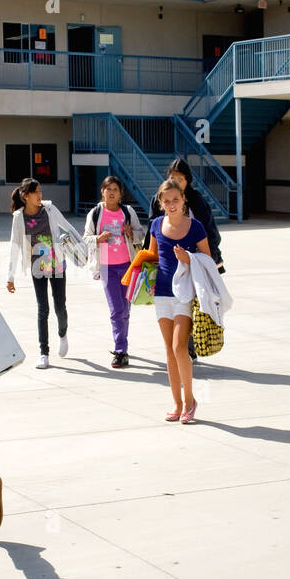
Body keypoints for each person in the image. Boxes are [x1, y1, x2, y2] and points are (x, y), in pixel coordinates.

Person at [145, 178, 211, 423]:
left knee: (179, 347)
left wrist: (188, 258)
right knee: (169, 352)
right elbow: (152, 255)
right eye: (166, 201)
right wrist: (142, 272)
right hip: (161, 293)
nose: (171, 204)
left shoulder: (195, 228)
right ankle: (177, 403)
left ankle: (190, 400)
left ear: (184, 199)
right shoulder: (155, 225)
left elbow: (208, 260)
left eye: (176, 199)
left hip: (184, 293)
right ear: (161, 203)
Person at [6, 177, 82, 369]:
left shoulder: (49, 208)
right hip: (37, 265)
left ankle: (62, 334)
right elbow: (14, 246)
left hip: (57, 263)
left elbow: (67, 226)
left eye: (41, 191)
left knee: (60, 307)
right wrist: (10, 276)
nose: (40, 195)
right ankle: (44, 353)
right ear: (25, 196)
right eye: (36, 192)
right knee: (43, 309)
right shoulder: (19, 217)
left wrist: (83, 248)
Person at [83, 175, 142, 368]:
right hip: (107, 266)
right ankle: (120, 350)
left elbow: (141, 233)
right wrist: (98, 238)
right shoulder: (95, 213)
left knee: (125, 309)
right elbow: (86, 238)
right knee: (116, 310)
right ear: (102, 191)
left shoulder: (128, 211)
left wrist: (131, 233)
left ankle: (122, 342)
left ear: (120, 194)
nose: (111, 192)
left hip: (128, 265)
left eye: (115, 189)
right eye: (108, 189)